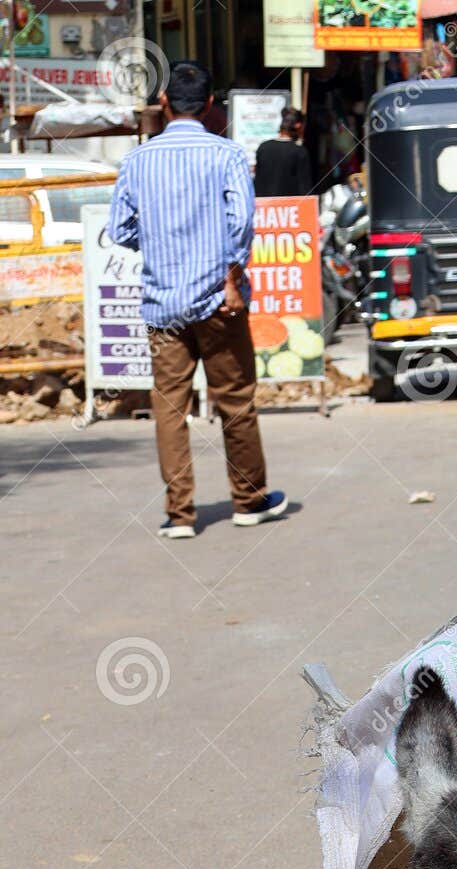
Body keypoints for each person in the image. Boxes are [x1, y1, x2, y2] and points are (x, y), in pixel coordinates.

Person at [106, 60, 286, 539]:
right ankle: (249, 500)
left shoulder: (138, 160)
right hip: (217, 300)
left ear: (163, 103)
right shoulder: (226, 154)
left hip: (163, 305)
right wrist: (229, 276)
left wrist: (161, 242)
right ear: (210, 105)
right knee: (236, 402)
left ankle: (179, 515)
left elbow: (119, 229)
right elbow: (241, 225)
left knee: (169, 408)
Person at [253, 105, 314, 199]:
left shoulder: (263, 147)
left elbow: (257, 181)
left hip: (264, 208)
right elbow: (304, 188)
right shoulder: (300, 152)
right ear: (298, 125)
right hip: (291, 209)